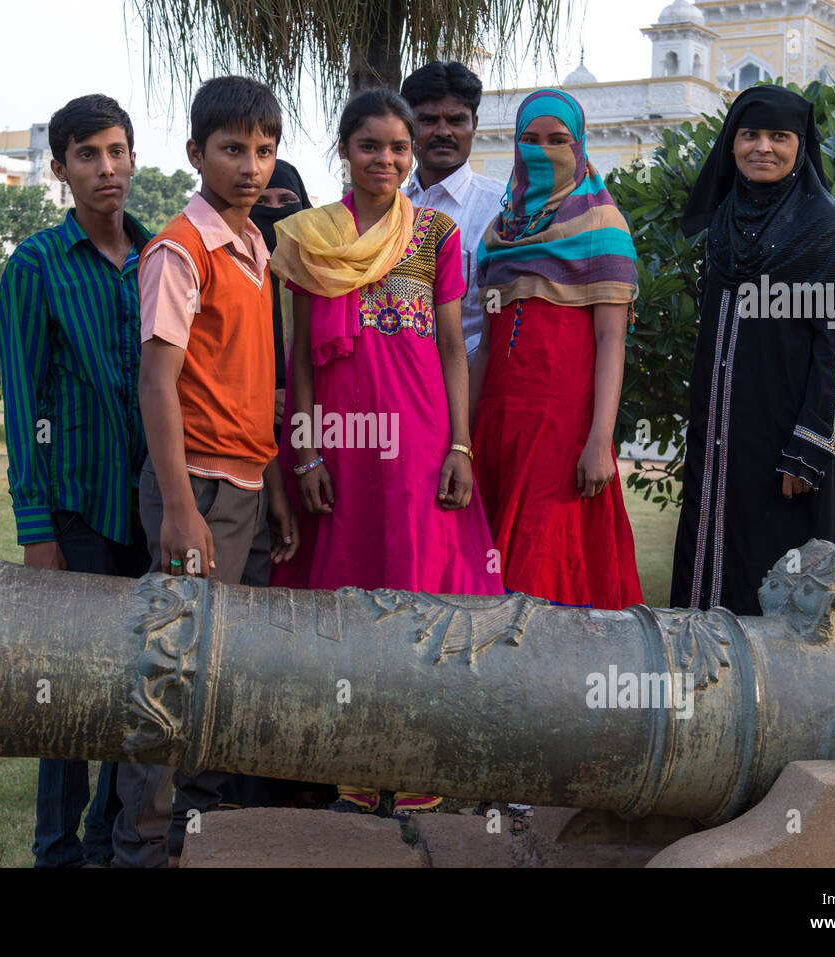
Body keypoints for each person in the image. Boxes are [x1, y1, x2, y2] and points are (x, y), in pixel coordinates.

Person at [271, 89, 502, 815]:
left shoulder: (435, 234)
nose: (388, 160)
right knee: (347, 590)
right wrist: (305, 456)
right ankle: (353, 765)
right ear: (345, 149)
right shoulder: (308, 237)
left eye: (399, 148)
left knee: (422, 592)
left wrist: (461, 444)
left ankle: (422, 757)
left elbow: (452, 348)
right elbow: (300, 360)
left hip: (422, 435)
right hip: (342, 436)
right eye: (372, 146)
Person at [126, 75, 299, 866]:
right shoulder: (179, 249)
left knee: (223, 672)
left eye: (264, 150)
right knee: (173, 671)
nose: (252, 166)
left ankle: (202, 836)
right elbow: (157, 381)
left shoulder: (256, 245)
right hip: (194, 485)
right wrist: (177, 508)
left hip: (244, 485)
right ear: (197, 153)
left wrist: (270, 486)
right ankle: (143, 846)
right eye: (234, 149)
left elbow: (251, 380)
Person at [0, 93, 152, 867]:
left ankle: (107, 841)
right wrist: (37, 532)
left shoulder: (161, 256)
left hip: (153, 509)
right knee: (68, 690)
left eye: (117, 151)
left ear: (134, 157)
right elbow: (23, 406)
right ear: (59, 170)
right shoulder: (35, 266)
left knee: (136, 683)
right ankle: (55, 850)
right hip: (77, 510)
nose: (106, 168)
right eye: (87, 155)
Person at [670, 84, 835, 616]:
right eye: (750, 135)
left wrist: (810, 447)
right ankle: (703, 683)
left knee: (782, 589)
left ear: (800, 146)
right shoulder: (724, 224)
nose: (763, 148)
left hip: (788, 448)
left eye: (779, 136)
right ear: (732, 144)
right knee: (708, 573)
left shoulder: (824, 228)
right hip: (721, 439)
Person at [470, 88, 644, 610]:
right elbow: (486, 344)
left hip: (563, 431)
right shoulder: (499, 234)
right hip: (498, 425)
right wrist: (462, 434)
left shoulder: (601, 227)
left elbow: (612, 341)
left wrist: (599, 441)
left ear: (580, 144)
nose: (542, 150)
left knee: (540, 573)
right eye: (530, 139)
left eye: (558, 139)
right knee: (482, 573)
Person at [400, 61, 506, 359]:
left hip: (473, 384)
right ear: (407, 125)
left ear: (475, 123)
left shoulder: (503, 208)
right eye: (429, 120)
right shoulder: (388, 208)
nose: (443, 131)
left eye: (456, 120)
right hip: (396, 381)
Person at [250, 160, 313, 442]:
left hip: (321, 417)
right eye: (261, 200)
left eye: (287, 200)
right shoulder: (229, 264)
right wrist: (261, 395)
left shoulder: (327, 269)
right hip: (245, 418)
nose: (275, 211)